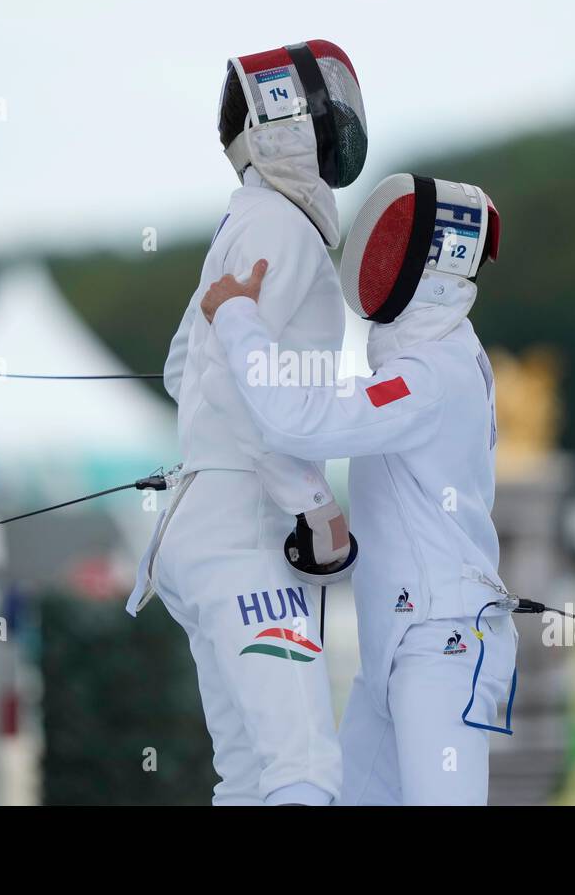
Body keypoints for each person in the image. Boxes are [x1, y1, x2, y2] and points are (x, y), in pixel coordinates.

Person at [199, 174, 516, 806]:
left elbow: (298, 419)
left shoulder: (431, 376)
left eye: (393, 242)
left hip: (444, 643)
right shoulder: (434, 359)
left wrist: (238, 316)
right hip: (398, 650)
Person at [126, 40, 369, 806]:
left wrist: (216, 443)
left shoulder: (249, 221)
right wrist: (309, 500)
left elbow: (184, 367)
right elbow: (245, 386)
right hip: (243, 533)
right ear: (287, 121)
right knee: (303, 769)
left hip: (202, 526)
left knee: (250, 776)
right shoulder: (284, 231)